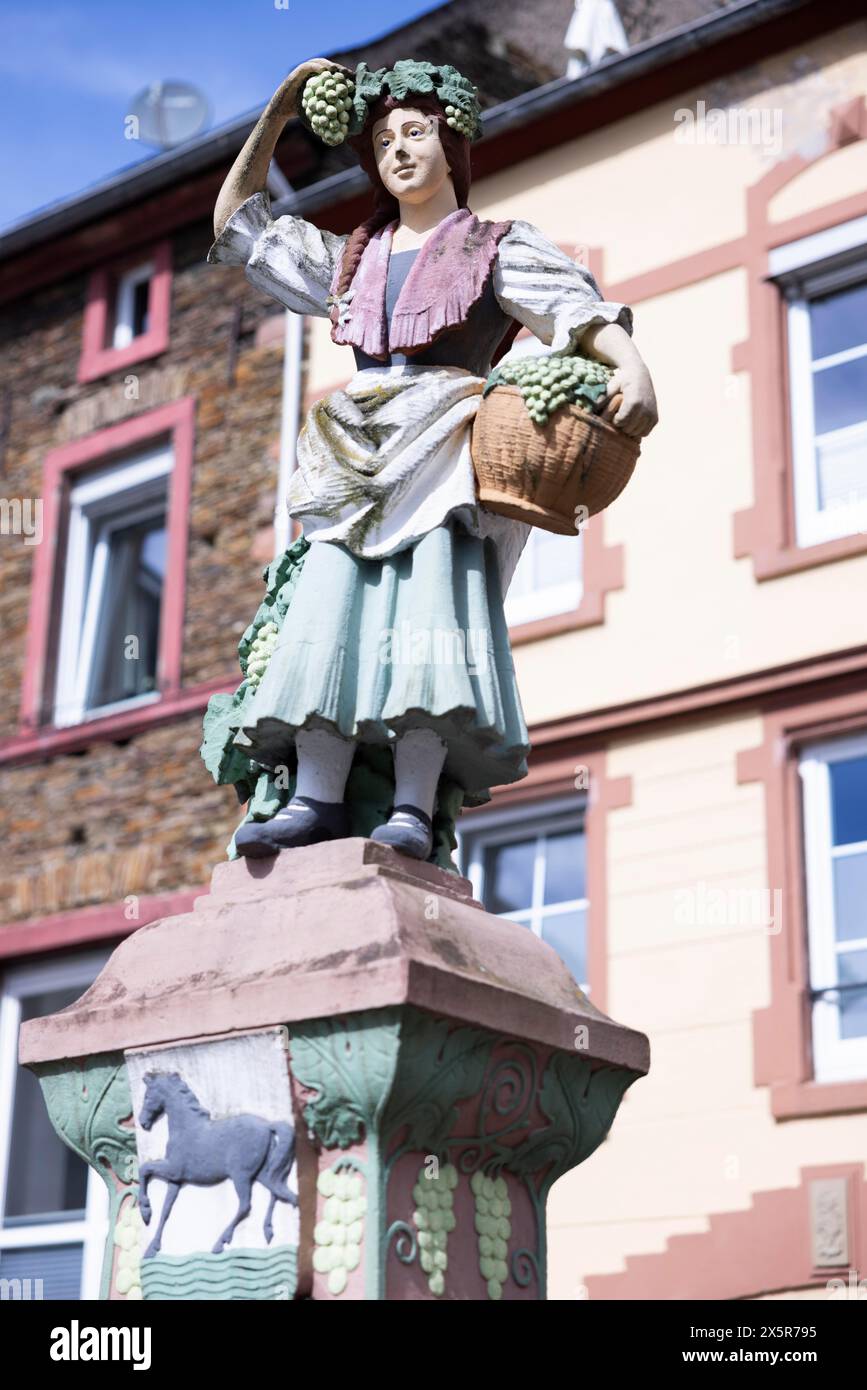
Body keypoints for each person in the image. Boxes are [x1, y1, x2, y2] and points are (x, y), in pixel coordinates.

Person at [205, 57, 658, 862]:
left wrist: (632, 368)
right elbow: (237, 220)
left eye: (416, 133)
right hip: (350, 448)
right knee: (327, 618)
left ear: (450, 144)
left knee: (427, 625)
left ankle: (412, 805)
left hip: (446, 442)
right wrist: (278, 112)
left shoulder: (495, 246)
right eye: (382, 141)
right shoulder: (349, 256)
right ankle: (314, 795)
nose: (399, 150)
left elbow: (575, 311)